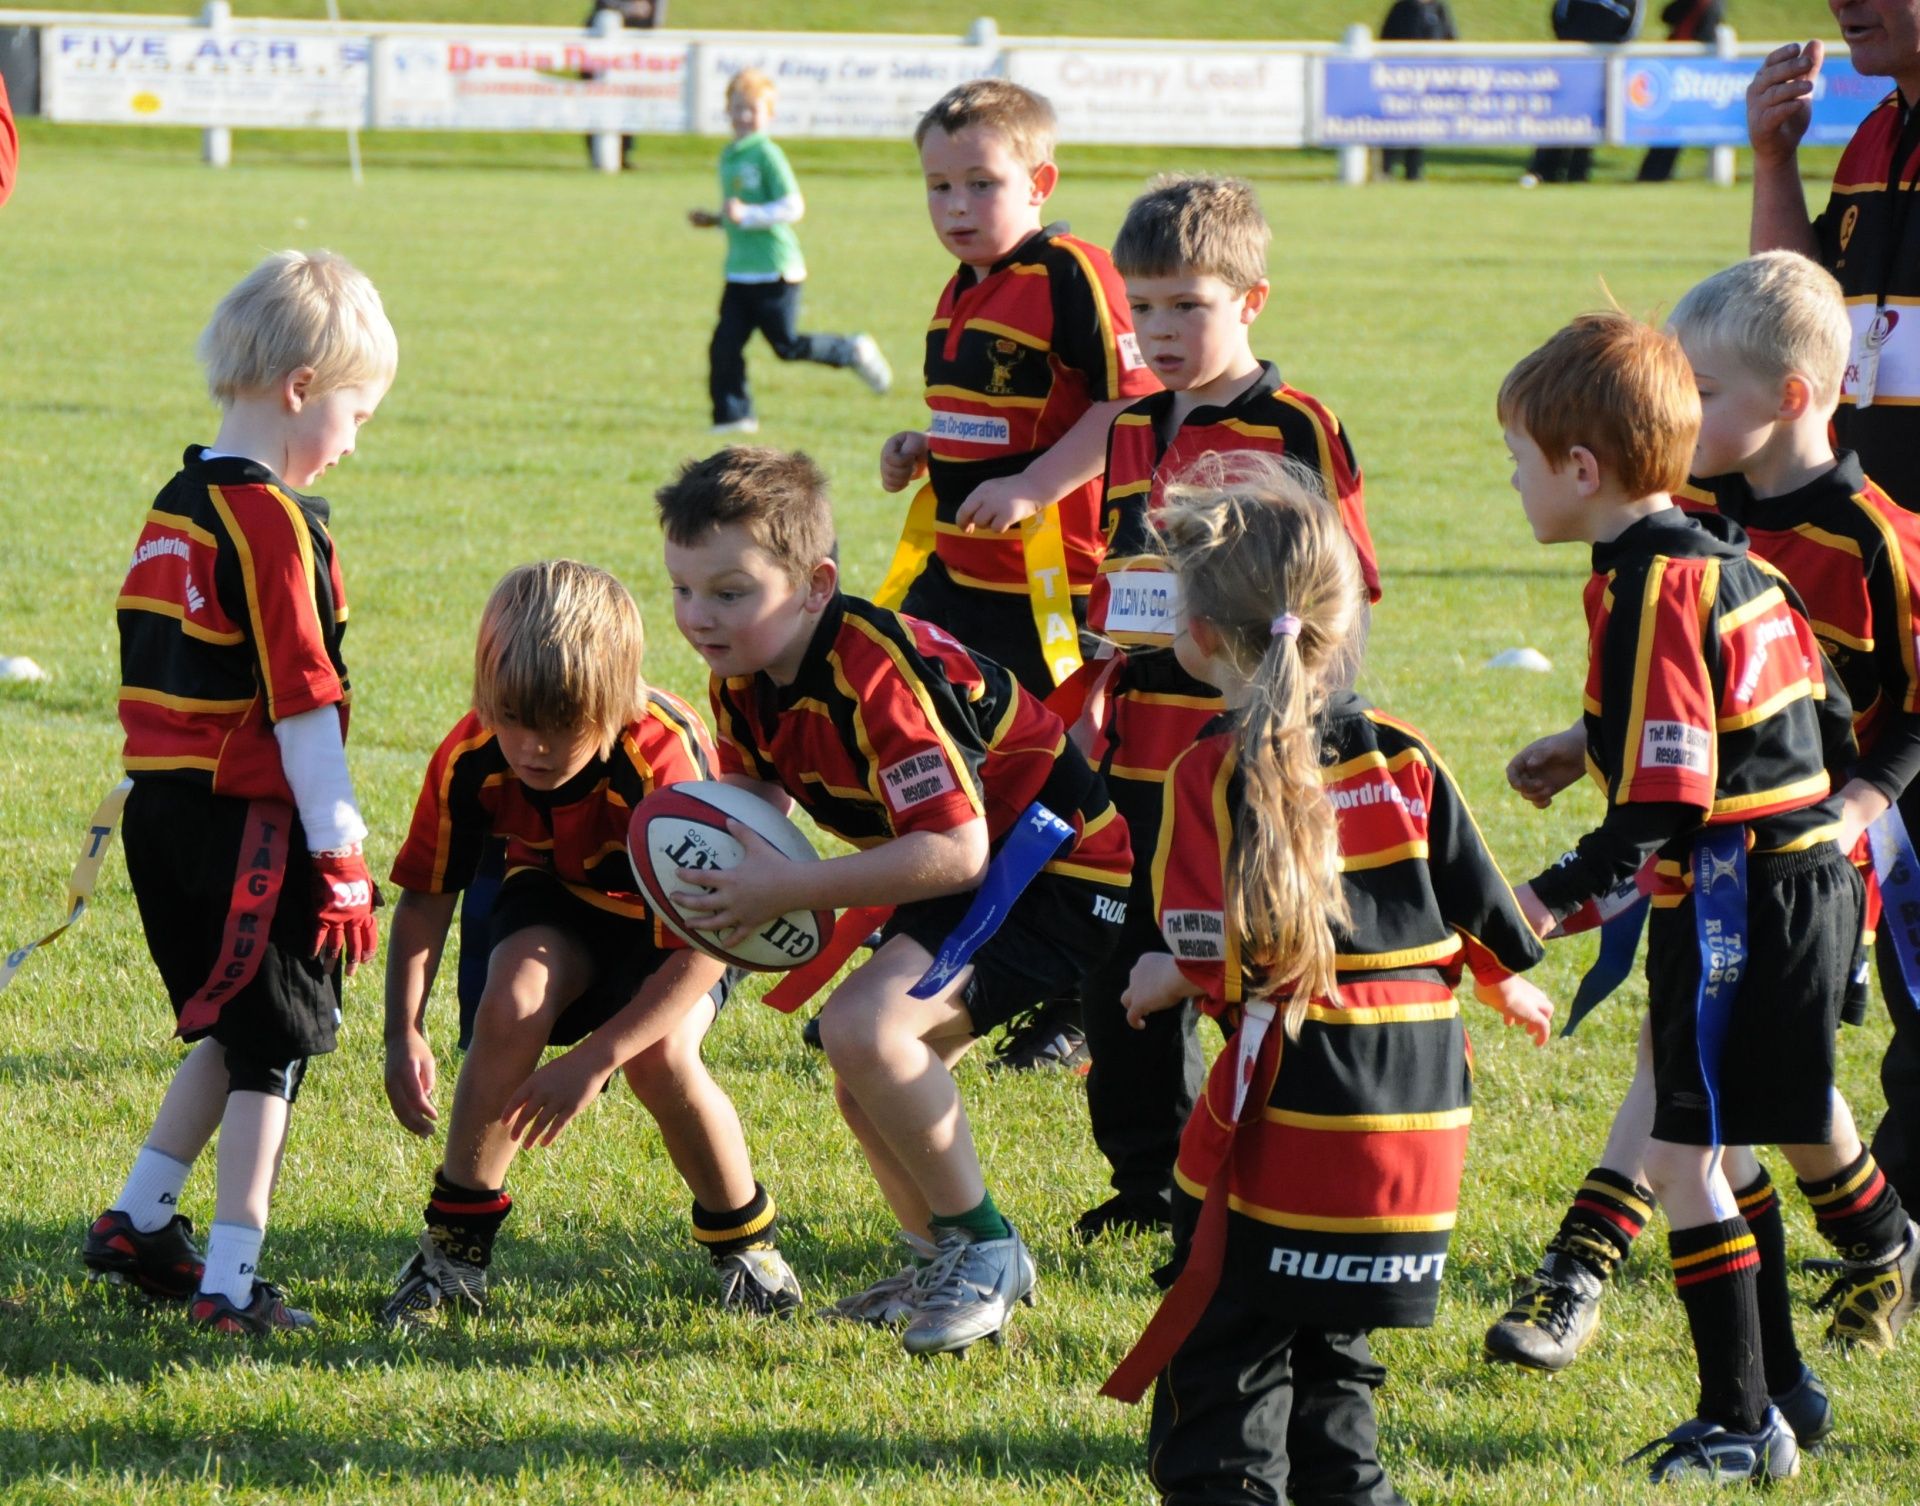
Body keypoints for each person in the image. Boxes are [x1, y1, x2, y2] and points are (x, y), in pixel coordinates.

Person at [1485, 256, 1920, 1430]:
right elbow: (1734, 709)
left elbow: (1695, 783)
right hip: (1747, 866)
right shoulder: (1706, 542)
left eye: (1706, 389)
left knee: (1702, 1136)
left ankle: (1736, 1403)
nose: (1684, 416)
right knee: (1728, 1136)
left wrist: (1552, 895)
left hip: (1771, 871)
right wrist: (1591, 742)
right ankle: (1784, 1385)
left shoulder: (1810, 550)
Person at [1099, 451, 1550, 1506]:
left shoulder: (1208, 770)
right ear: (1336, 626)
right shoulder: (1403, 752)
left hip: (1302, 1101)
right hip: (1419, 1111)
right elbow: (1476, 899)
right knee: (1333, 1364)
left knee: (1222, 1363)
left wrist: (1171, 977)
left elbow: (1217, 947)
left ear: (1199, 635)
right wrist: (1501, 983)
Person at [655, 446, 1133, 1356]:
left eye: (728, 592)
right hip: (974, 865)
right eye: (682, 591)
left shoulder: (875, 672)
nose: (698, 618)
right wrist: (694, 872)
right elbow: (754, 812)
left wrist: (789, 889)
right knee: (863, 1074)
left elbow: (956, 850)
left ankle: (988, 1250)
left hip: (1060, 868)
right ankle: (939, 1260)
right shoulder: (742, 675)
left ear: (813, 584)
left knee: (868, 1032)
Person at [83, 250, 395, 1333]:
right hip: (248, 820)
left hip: (162, 812)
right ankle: (229, 1283)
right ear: (302, 387)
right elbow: (305, 703)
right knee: (280, 1045)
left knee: (234, 1023)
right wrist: (342, 857)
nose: (356, 439)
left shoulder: (174, 502)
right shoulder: (273, 523)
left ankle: (139, 1219)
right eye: (357, 411)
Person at [1069, 175, 1379, 1240]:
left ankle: (1261, 1179)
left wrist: (1304, 735)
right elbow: (1115, 589)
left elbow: (1340, 594)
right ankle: (1145, 1182)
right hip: (1138, 761)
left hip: (1250, 752)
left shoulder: (1297, 426)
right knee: (1123, 979)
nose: (1158, 330)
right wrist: (1090, 698)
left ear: (1250, 299)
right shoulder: (1129, 429)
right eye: (1141, 305)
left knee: (1252, 961)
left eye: (1185, 306)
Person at [376, 560, 802, 1324]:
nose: (534, 748)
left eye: (564, 726)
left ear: (614, 706)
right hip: (560, 895)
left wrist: (595, 1058)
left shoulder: (663, 764)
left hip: (685, 919)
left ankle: (748, 1247)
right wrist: (401, 1030)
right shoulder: (472, 754)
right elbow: (426, 898)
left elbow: (711, 938)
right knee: (511, 1002)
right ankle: (452, 1253)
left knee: (660, 1055)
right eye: (513, 719)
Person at [1747, 5, 1920, 1214]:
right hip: (1864, 558)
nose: (1847, 3)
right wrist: (1773, 160)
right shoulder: (1871, 134)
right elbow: (1793, 314)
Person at [875, 78, 1160, 699]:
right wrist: (930, 443)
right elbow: (1009, 416)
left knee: (1050, 764)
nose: (956, 205)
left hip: (1047, 590)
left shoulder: (1072, 270)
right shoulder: (959, 287)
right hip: (954, 574)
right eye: (939, 186)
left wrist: (1034, 486)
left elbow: (1134, 400)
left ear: (1039, 183)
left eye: (982, 184)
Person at [689, 68, 892, 436]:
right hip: (739, 271)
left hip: (775, 270)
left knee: (786, 345)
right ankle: (733, 417)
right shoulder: (729, 155)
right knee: (723, 347)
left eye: (752, 109)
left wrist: (747, 214)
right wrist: (716, 219)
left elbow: (793, 206)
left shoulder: (767, 153)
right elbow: (739, 212)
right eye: (737, 108)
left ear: (769, 114)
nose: (743, 116)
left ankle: (851, 351)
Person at [1523, 0, 1643, 185]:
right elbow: (1559, 15)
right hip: (1570, 59)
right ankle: (1544, 170)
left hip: (1603, 62)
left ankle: (1577, 172)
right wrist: (1569, 43)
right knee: (1560, 114)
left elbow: (1630, 29)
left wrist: (1609, 48)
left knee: (1588, 118)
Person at [1635, 0, 1727, 182]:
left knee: (1673, 127)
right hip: (1686, 73)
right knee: (1673, 128)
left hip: (1687, 74)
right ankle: (1655, 173)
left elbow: (1668, 16)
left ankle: (1654, 173)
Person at [1378, 0, 1458, 180]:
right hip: (1400, 78)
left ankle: (1413, 171)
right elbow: (1385, 39)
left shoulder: (1439, 9)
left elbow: (1450, 39)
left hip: (1429, 79)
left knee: (1419, 127)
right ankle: (1386, 168)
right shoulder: (1401, 8)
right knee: (1394, 125)